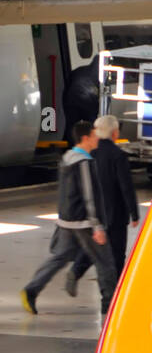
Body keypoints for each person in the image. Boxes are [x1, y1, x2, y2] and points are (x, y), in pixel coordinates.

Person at [21, 121, 119, 318]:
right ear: (85, 138)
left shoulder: (67, 158)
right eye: (93, 134)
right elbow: (89, 195)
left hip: (66, 220)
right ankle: (109, 307)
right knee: (105, 262)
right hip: (84, 222)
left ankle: (31, 290)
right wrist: (97, 226)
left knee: (60, 257)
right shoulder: (83, 162)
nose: (97, 138)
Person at [65, 115, 139, 298]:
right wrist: (134, 212)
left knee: (94, 247)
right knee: (116, 253)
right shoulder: (118, 155)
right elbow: (126, 186)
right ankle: (115, 292)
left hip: (93, 212)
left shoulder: (89, 153)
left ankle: (76, 270)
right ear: (114, 133)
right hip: (115, 213)